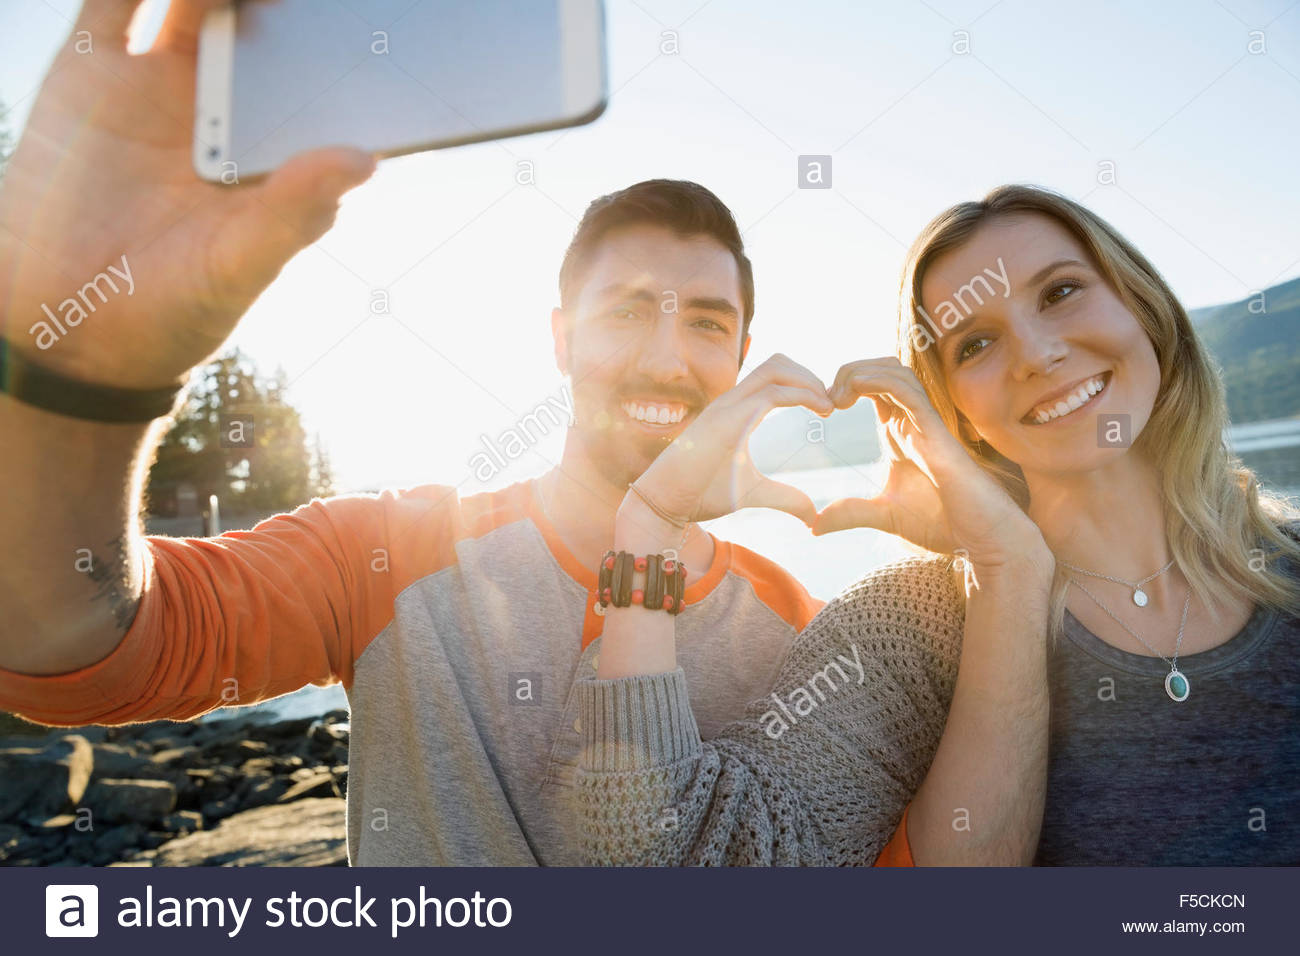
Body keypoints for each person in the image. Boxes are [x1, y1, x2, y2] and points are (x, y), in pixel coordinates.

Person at [0, 1, 826, 865]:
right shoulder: (389, 555)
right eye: (625, 311)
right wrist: (79, 377)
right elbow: (67, 646)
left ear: (739, 357)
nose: (667, 358)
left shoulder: (795, 634)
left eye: (704, 323)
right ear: (560, 338)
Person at [574, 184, 1300, 866]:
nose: (1039, 355)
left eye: (1062, 292)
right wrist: (651, 522)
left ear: (1145, 307)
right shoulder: (905, 635)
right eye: (974, 345)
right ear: (954, 416)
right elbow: (663, 872)